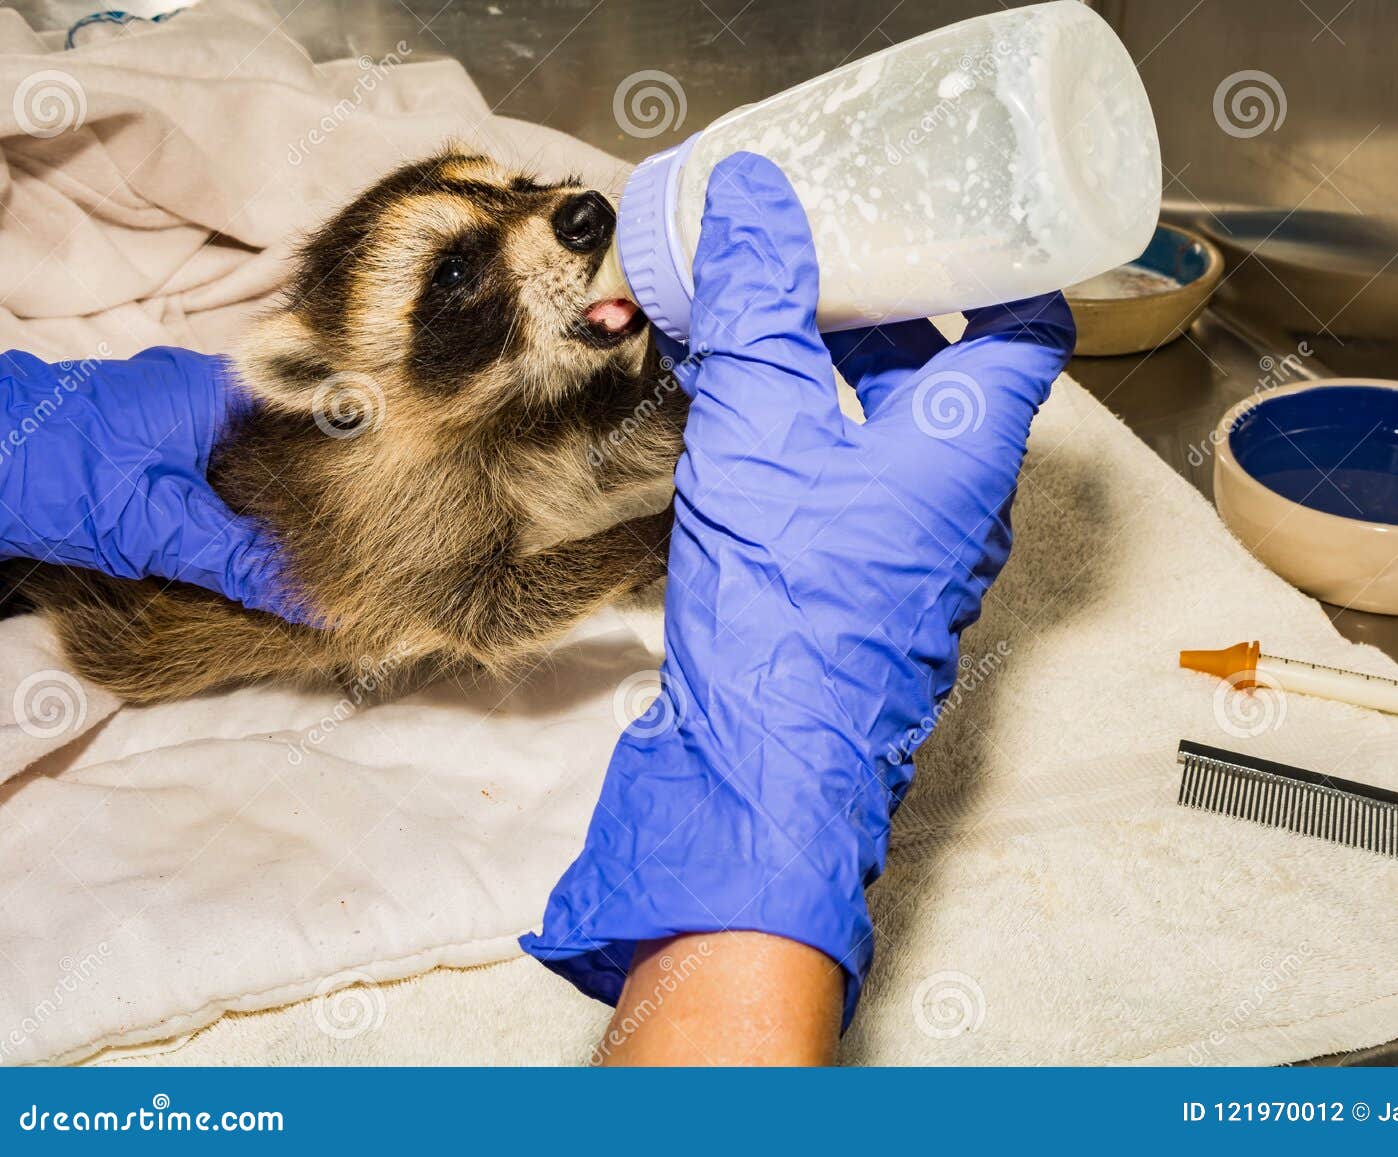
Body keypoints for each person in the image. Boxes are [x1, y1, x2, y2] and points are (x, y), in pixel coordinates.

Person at [0, 152, 1073, 1065]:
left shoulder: (469, 394)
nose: (556, 210)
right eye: (457, 273)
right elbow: (484, 608)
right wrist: (662, 541)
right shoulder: (379, 489)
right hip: (120, 630)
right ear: (330, 382)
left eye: (513, 186)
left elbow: (603, 444)